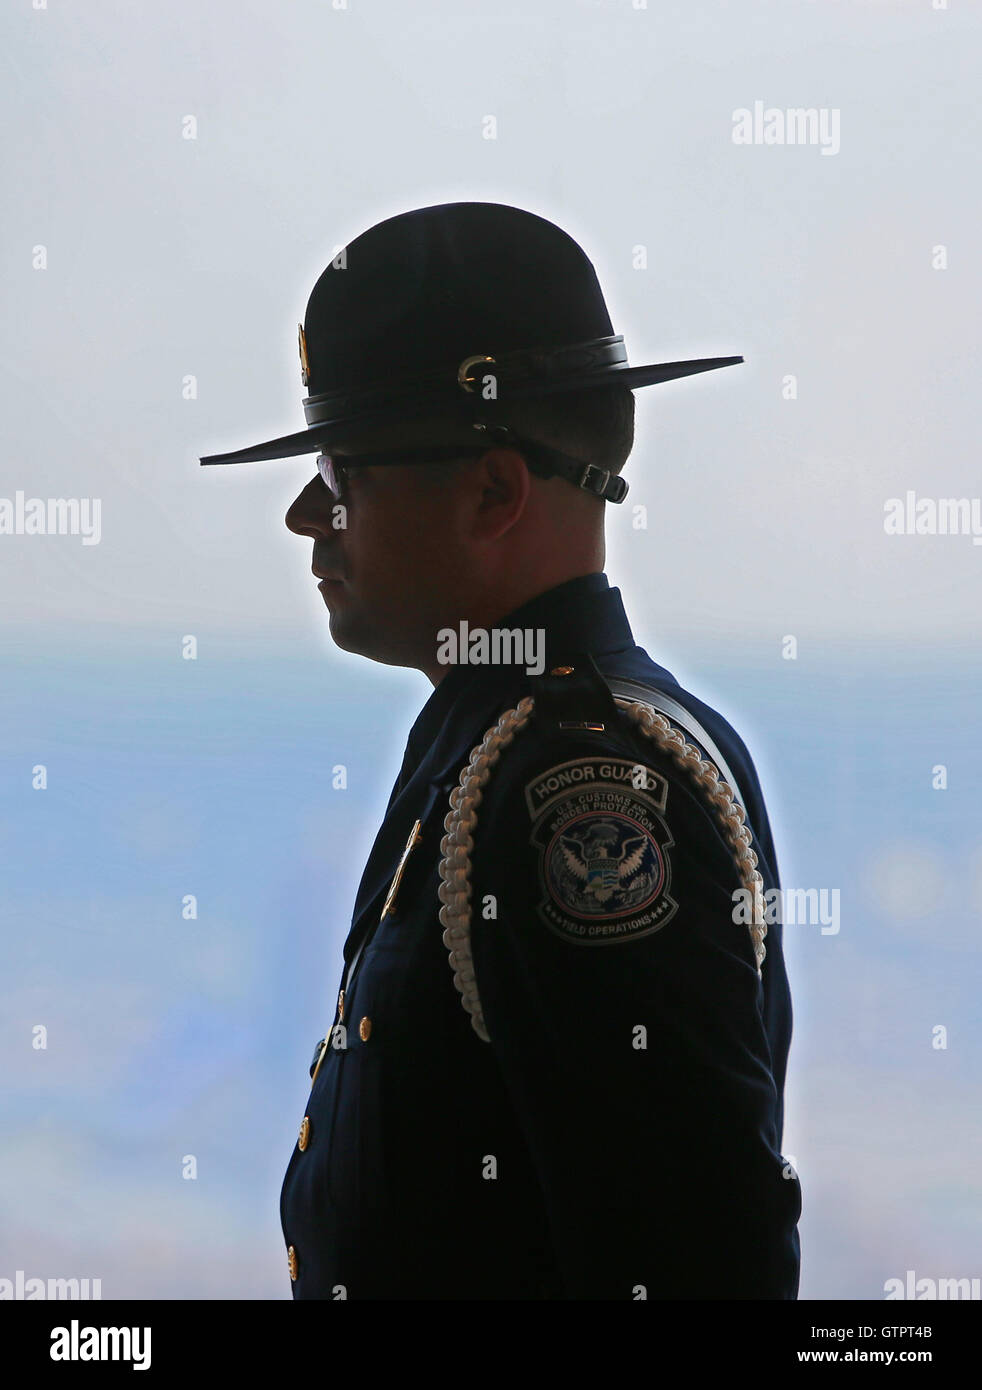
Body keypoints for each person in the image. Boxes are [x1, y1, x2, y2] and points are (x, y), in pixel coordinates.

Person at [200, 201, 801, 1299]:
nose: (302, 515)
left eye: (340, 479)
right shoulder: (489, 736)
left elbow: (684, 1264)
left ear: (492, 490)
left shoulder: (583, 787)